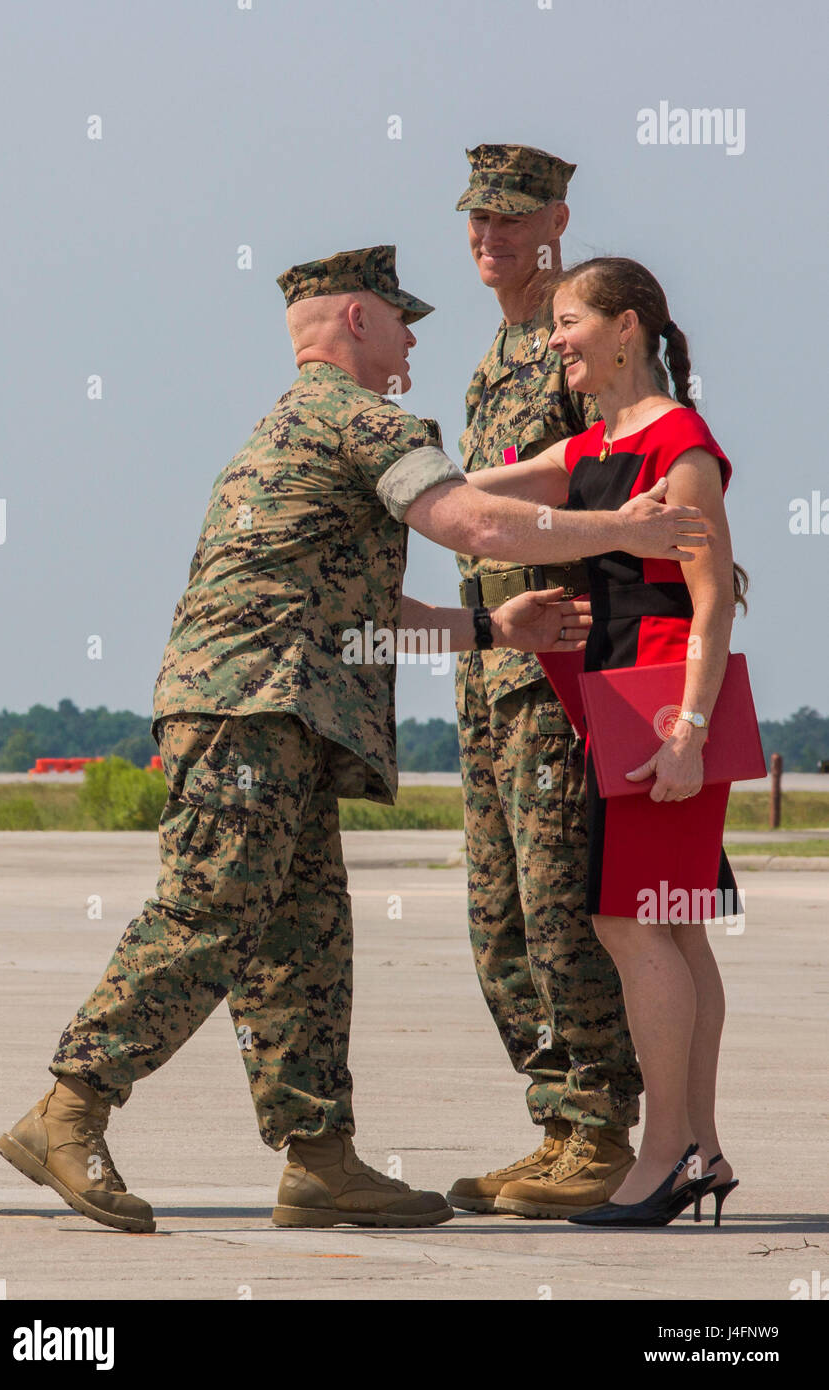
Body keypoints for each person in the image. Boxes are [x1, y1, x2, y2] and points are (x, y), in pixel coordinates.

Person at [0, 245, 706, 1235]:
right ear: (356, 322)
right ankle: (70, 1106)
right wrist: (615, 529)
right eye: (399, 317)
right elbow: (473, 526)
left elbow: (358, 608)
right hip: (256, 714)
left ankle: (319, 1157)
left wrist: (492, 629)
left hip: (275, 712)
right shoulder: (361, 418)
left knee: (305, 938)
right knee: (207, 914)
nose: (415, 336)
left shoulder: (279, 431)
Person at [465, 255, 744, 1227]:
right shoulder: (590, 450)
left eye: (569, 320)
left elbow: (711, 603)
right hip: (619, 699)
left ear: (624, 327)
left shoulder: (680, 446)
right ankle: (698, 1150)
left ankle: (661, 1154)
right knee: (669, 924)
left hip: (660, 701)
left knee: (631, 924)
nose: (552, 339)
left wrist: (687, 733)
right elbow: (477, 503)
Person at [446, 144, 644, 1219]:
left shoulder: (579, 345)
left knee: (559, 901)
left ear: (558, 217)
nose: (490, 240)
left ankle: (602, 1124)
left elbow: (625, 482)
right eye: (476, 222)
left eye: (511, 221)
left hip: (563, 670)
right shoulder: (496, 351)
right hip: (490, 670)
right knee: (495, 917)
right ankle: (555, 1121)